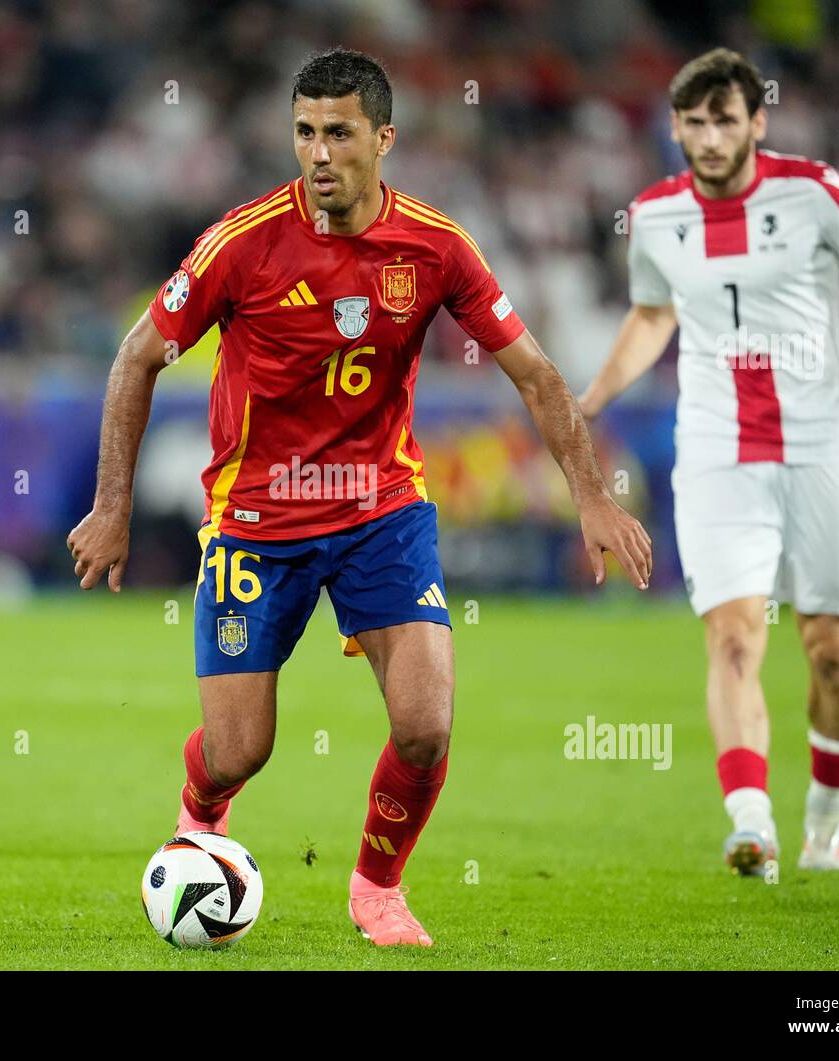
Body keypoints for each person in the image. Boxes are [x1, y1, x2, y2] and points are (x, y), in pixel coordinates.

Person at [68, 48, 651, 944]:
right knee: (239, 750)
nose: (317, 153)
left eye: (337, 133)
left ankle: (377, 887)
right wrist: (112, 507)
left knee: (425, 724)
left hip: (382, 508)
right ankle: (202, 803)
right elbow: (136, 355)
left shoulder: (437, 247)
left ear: (383, 137)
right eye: (304, 132)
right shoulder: (242, 242)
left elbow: (534, 374)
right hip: (257, 522)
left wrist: (594, 496)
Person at [579, 48, 839, 875]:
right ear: (674, 128)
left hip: (820, 445)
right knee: (733, 638)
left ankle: (827, 816)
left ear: (756, 122)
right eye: (692, 122)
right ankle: (751, 821)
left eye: (724, 119)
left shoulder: (814, 192)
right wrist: (589, 399)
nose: (707, 136)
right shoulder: (656, 216)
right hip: (716, 449)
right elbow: (654, 316)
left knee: (828, 647)